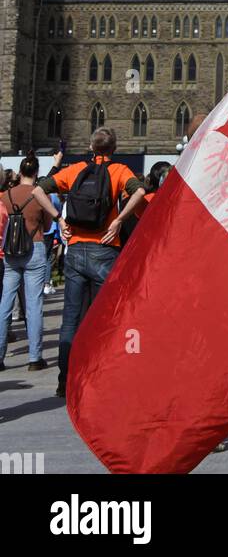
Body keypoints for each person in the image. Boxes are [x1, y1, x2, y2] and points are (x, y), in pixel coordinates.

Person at [39, 128, 147, 398]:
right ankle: (97, 375)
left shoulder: (75, 170)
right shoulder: (120, 171)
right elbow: (140, 191)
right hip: (104, 249)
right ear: (114, 147)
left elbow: (40, 190)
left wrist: (59, 219)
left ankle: (65, 380)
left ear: (90, 146)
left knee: (70, 321)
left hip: (75, 250)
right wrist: (119, 220)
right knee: (102, 319)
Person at [0, 152, 58, 371]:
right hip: (35, 246)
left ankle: (0, 355)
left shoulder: (6, 195)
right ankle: (35, 357)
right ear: (36, 172)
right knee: (34, 305)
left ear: (21, 171)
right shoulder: (40, 194)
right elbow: (47, 224)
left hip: (11, 251)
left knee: (5, 302)